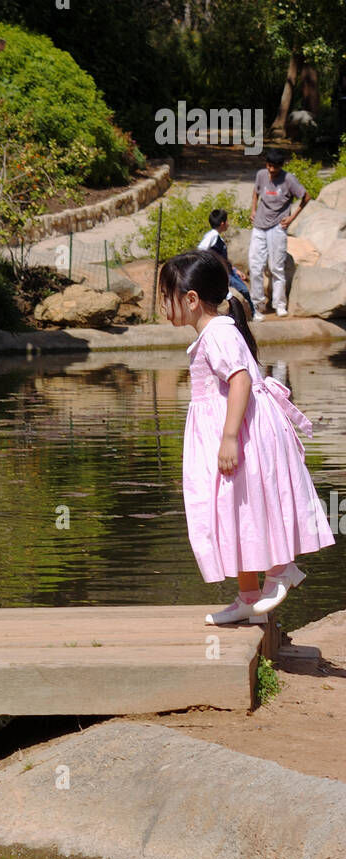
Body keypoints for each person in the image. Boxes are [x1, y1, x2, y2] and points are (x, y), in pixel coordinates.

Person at [159, 250, 334, 626]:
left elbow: (239, 378)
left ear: (191, 298)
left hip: (242, 432)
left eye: (165, 296)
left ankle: (280, 569)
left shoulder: (218, 334)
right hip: (240, 429)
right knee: (234, 509)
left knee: (248, 505)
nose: (162, 305)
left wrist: (228, 437)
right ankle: (248, 597)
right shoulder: (216, 332)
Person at [248, 149, 309, 321]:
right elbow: (256, 191)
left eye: (275, 167)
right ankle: (257, 304)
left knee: (276, 267)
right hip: (259, 225)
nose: (272, 170)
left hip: (277, 227)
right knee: (255, 266)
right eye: (269, 166)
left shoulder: (289, 179)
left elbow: (306, 197)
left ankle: (279, 304)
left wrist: (291, 217)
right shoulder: (261, 175)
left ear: (281, 166)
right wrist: (253, 209)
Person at [197, 208, 253, 314]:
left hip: (228, 271)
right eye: (227, 221)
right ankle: (254, 313)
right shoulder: (212, 235)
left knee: (243, 289)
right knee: (243, 290)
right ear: (222, 223)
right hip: (223, 273)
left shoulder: (217, 237)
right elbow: (201, 249)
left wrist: (234, 269)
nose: (228, 224)